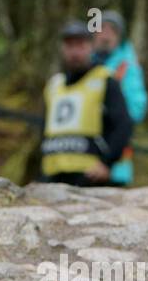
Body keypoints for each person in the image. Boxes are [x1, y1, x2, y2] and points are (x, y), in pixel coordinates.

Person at [39, 21, 133, 187]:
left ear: (91, 46)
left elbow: (123, 124)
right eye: (70, 46)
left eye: (80, 45)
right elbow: (44, 129)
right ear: (62, 48)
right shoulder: (54, 85)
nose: (75, 52)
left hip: (91, 178)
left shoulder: (105, 79)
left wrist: (107, 163)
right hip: (52, 176)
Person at [91, 9, 147, 185]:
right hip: (81, 155)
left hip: (114, 160)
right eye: (102, 28)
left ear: (119, 36)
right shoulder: (84, 63)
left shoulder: (127, 66)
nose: (106, 35)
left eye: (112, 30)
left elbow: (137, 108)